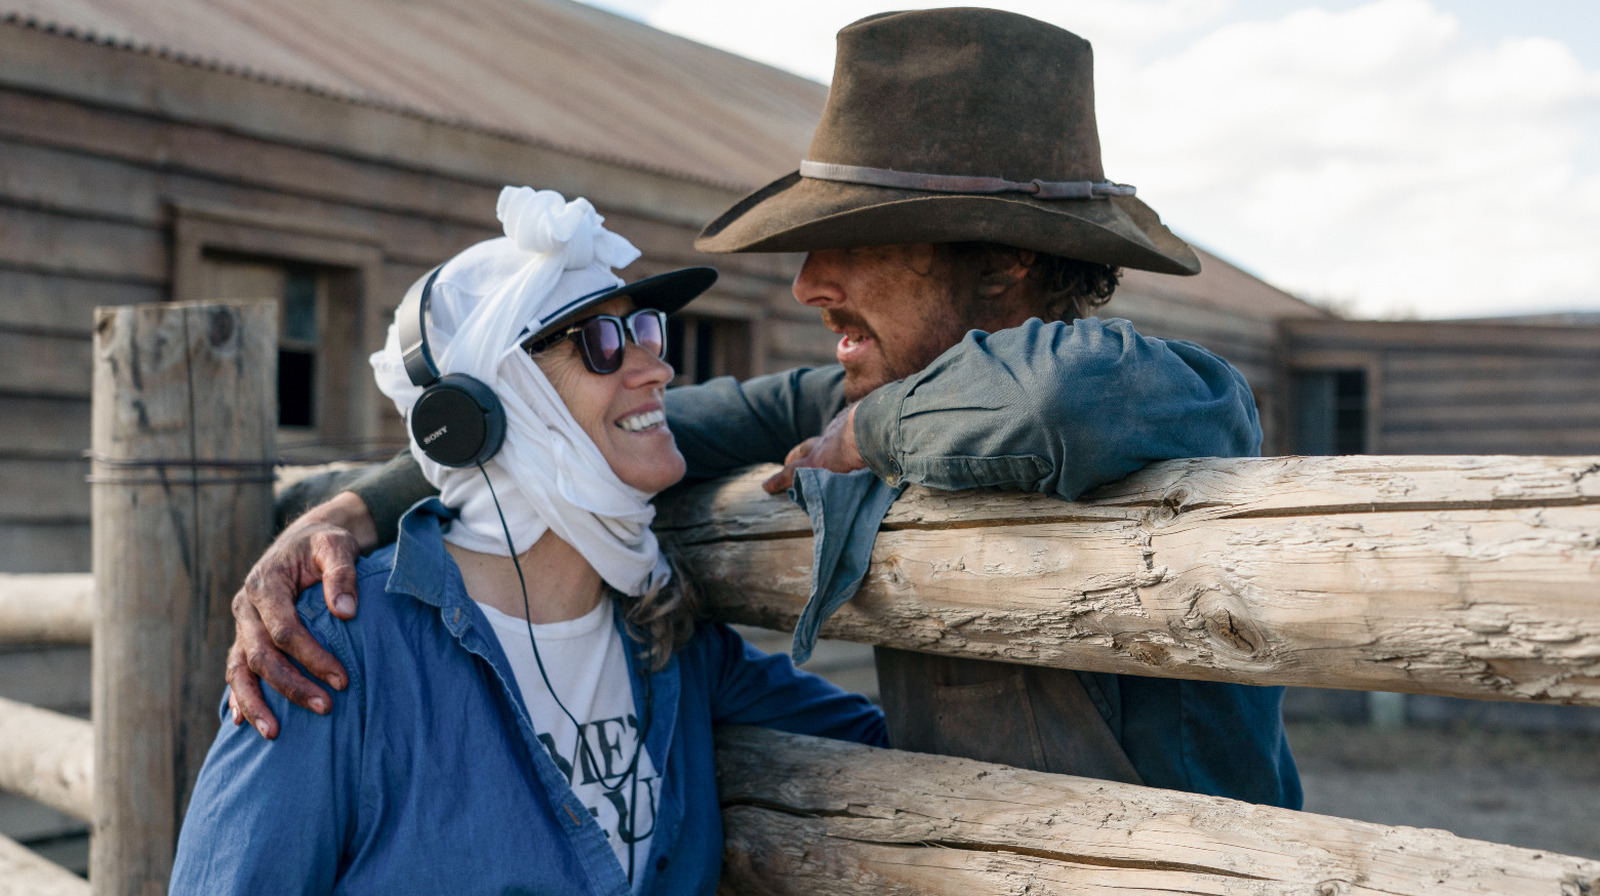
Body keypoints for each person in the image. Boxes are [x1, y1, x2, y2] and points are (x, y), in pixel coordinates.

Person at [228, 8, 1300, 807]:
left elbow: (1055, 403)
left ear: (1003, 259)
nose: (806, 285)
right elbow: (617, 428)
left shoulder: (1161, 390)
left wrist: (864, 436)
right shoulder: (860, 391)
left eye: (855, 242)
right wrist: (355, 509)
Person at [170, 188, 886, 895]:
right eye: (602, 344)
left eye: (646, 332)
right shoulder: (330, 650)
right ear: (483, 405)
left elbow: (894, 752)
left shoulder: (674, 645)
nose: (657, 368)